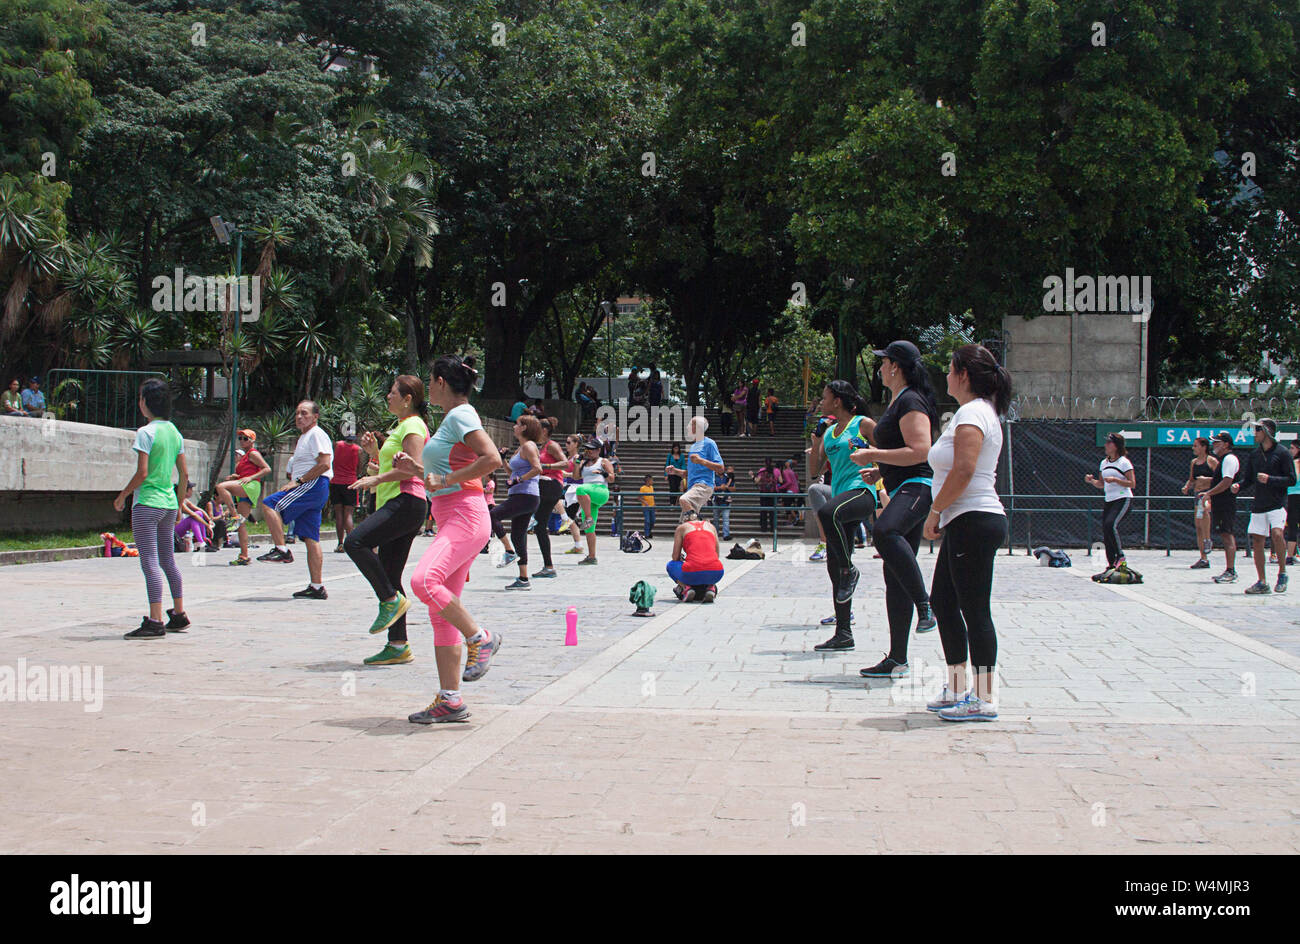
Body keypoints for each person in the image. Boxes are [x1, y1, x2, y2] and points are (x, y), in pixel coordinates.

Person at [392, 354, 503, 724]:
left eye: (430, 380)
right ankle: (450, 699)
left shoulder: (460, 415)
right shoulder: (452, 420)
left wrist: (447, 481)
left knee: (423, 581)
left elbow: (491, 460)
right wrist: (418, 470)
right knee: (441, 613)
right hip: (452, 515)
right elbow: (446, 474)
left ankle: (480, 636)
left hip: (465, 516)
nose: (428, 386)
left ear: (441, 382)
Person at [922, 344, 1012, 721]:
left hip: (974, 518)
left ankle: (985, 697)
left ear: (962, 375)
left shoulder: (973, 412)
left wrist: (935, 511)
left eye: (949, 368)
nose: (944, 375)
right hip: (967, 520)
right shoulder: (972, 412)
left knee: (975, 609)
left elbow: (964, 469)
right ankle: (958, 686)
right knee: (943, 602)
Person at [851, 340, 940, 676]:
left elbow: (920, 452)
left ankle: (926, 605)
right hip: (902, 484)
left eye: (883, 361)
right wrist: (881, 470)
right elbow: (901, 453)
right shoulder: (898, 400)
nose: (879, 367)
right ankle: (898, 658)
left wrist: (873, 455)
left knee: (885, 531)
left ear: (896, 366)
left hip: (918, 488)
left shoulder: (911, 400)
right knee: (894, 573)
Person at [344, 375, 430, 666]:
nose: (388, 397)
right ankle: (398, 645)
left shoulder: (413, 426)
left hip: (406, 502)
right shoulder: (400, 426)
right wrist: (374, 454)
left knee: (354, 542)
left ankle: (389, 600)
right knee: (391, 576)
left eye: (392, 392)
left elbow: (411, 470)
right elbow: (394, 465)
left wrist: (376, 478)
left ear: (407, 398)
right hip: (397, 501)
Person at [113, 379, 189, 639]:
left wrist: (122, 495)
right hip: (168, 504)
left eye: (140, 398)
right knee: (168, 560)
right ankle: (178, 614)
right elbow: (184, 473)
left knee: (149, 562)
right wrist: (179, 505)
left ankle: (155, 620)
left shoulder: (146, 432)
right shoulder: (174, 432)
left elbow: (142, 473)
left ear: (146, 402)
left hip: (147, 504)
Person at [807, 381, 878, 651]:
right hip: (840, 497)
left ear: (837, 401)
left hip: (862, 492)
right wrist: (816, 442)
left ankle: (850, 569)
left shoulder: (863, 424)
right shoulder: (828, 434)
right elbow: (815, 470)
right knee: (834, 566)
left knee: (826, 512)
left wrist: (879, 472)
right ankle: (844, 633)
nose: (821, 402)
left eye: (824, 397)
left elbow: (888, 451)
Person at [257, 400, 333, 599]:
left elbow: (325, 464)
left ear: (315, 416)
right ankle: (317, 587)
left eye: (305, 413)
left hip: (312, 485)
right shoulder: (305, 437)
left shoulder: (316, 434)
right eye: (298, 413)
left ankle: (281, 549)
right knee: (311, 538)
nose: (300, 417)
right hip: (314, 487)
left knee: (269, 504)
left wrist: (298, 481)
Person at [1231, 419, 1295, 594]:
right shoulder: (1254, 455)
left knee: (1277, 533)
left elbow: (1291, 480)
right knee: (1257, 540)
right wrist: (1239, 486)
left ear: (1267, 431)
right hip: (1259, 504)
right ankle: (1262, 581)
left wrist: (1270, 479)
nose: (1254, 433)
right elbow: (1249, 479)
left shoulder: (1282, 453)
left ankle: (1282, 573)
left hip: (1277, 503)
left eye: (1258, 429)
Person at [491, 414, 544, 590]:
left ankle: (508, 551)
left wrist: (518, 480)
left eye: (517, 424)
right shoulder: (520, 448)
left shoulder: (529, 446)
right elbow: (510, 472)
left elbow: (538, 469)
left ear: (524, 428)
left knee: (492, 515)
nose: (514, 426)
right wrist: (503, 458)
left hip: (526, 495)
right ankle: (523, 578)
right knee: (518, 535)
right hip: (520, 495)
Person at [216, 430, 272, 566]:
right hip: (246, 485)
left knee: (221, 487)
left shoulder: (253, 453)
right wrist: (236, 477)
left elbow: (267, 469)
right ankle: (244, 555)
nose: (242, 440)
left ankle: (233, 515)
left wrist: (250, 477)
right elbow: (247, 471)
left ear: (252, 440)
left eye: (245, 438)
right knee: (241, 525)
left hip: (250, 485)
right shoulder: (247, 456)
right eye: (240, 438)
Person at [1085, 432, 1136, 576]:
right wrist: (1092, 480)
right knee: (1105, 529)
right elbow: (1101, 484)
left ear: (1116, 446)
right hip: (1109, 500)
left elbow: (1132, 483)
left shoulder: (1124, 462)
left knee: (1110, 524)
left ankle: (1120, 556)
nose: (1106, 445)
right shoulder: (1104, 463)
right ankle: (1111, 562)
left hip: (1122, 498)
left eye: (1109, 443)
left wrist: (1116, 480)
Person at [530, 416, 567, 578]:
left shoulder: (552, 446)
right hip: (545, 486)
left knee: (534, 518)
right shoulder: (542, 447)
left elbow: (566, 463)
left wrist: (546, 466)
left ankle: (526, 515)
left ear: (544, 431)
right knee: (540, 527)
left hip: (551, 485)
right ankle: (548, 566)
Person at [568, 439, 614, 564]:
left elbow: (612, 479)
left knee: (581, 489)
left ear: (598, 450)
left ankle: (588, 517)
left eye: (592, 449)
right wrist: (577, 463)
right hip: (588, 497)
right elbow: (576, 477)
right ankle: (592, 556)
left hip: (600, 491)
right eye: (587, 449)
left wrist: (603, 473)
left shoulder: (603, 461)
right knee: (589, 529)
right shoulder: (584, 462)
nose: (589, 451)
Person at [1204, 432, 1241, 584]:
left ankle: (1231, 571)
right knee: (1224, 534)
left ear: (1226, 444)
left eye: (1217, 442)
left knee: (1227, 534)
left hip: (1226, 503)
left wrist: (1208, 493)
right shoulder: (1223, 460)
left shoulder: (1230, 459)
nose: (1214, 445)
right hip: (1220, 503)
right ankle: (1229, 569)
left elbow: (1227, 482)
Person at [668, 515, 724, 603]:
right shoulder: (711, 526)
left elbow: (675, 557)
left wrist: (681, 559)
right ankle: (711, 587)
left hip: (692, 572)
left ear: (685, 519)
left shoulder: (682, 528)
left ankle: (686, 588)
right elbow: (716, 554)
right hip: (717, 572)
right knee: (711, 564)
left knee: (670, 565)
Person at [1181, 437, 1218, 569]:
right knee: (1198, 525)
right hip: (1198, 494)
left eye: (1196, 446)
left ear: (1203, 447)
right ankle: (1203, 557)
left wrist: (1207, 480)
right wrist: (1187, 486)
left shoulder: (1212, 461)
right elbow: (1191, 479)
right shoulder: (1194, 462)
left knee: (1205, 510)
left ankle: (1208, 539)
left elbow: (1221, 478)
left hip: (1209, 493)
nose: (1193, 448)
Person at [681, 416, 724, 523]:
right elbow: (689, 472)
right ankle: (699, 523)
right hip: (692, 487)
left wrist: (701, 461)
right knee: (684, 525)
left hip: (703, 485)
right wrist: (675, 471)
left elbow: (721, 468)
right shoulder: (693, 447)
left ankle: (701, 521)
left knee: (684, 500)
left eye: (691, 424)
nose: (687, 427)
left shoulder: (709, 443)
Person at [331, 434, 362, 551]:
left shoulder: (337, 445)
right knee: (348, 514)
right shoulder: (358, 449)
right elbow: (358, 468)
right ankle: (351, 544)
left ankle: (340, 543)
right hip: (350, 482)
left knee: (338, 514)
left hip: (336, 481)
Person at [174, 482, 214, 552]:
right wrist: (207, 525)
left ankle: (203, 541)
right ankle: (200, 543)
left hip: (179, 530)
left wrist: (209, 520)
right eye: (191, 489)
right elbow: (193, 515)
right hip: (174, 532)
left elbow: (200, 510)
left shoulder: (185, 500)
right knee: (193, 519)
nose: (192, 491)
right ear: (185, 490)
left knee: (199, 513)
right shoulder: (179, 501)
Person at [752, 458, 779, 533]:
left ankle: (764, 528)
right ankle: (773, 528)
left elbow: (757, 481)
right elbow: (781, 480)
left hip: (764, 493)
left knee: (763, 511)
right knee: (773, 511)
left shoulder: (762, 471)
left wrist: (752, 477)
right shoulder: (776, 470)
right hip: (773, 493)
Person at [711, 465, 735, 540]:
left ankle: (726, 535)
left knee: (726, 518)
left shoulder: (728, 477)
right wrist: (720, 488)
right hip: (716, 500)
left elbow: (734, 488)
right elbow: (711, 487)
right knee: (715, 518)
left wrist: (727, 487)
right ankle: (716, 534)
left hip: (726, 500)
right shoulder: (713, 477)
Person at [1286, 440, 1300, 566]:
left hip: (1294, 496)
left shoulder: (1295, 463)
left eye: (1292, 448)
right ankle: (1292, 555)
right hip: (1293, 495)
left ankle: (1290, 556)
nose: (1290, 451)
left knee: (1292, 525)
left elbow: (1295, 478)